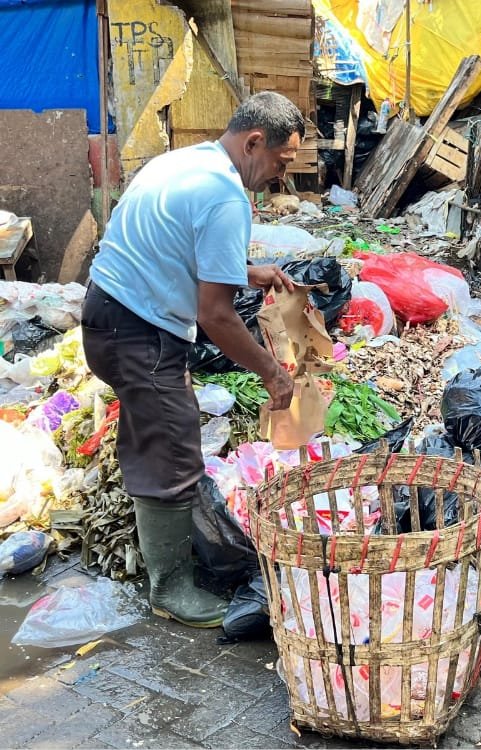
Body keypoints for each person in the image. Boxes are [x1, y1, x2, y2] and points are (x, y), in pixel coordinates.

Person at [82, 92, 306, 626]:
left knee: (153, 433)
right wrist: (273, 373)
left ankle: (162, 562)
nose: (280, 175)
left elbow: (173, 241)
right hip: (140, 329)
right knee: (174, 448)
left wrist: (244, 268)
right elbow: (217, 317)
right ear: (254, 142)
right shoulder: (226, 195)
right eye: (281, 161)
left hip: (108, 313)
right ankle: (171, 589)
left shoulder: (184, 161)